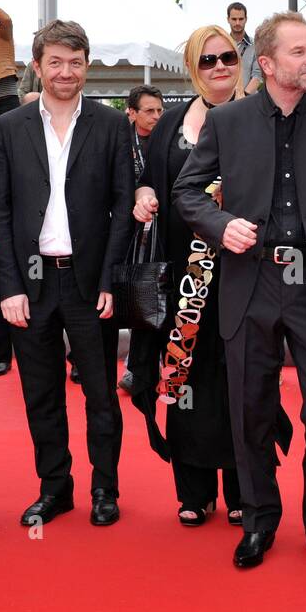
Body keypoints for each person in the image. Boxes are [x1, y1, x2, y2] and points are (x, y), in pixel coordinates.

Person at [173, 11, 306, 570]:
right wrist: (220, 225)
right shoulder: (229, 122)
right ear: (265, 64)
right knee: (250, 409)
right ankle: (260, 520)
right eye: (299, 52)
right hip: (251, 277)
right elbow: (186, 191)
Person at [0, 19, 134, 528]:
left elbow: (122, 204)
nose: (65, 72)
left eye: (75, 62)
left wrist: (110, 279)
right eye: (55, 62)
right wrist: (8, 285)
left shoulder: (113, 125)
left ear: (86, 66)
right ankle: (55, 488)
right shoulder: (7, 129)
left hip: (89, 282)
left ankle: (105, 488)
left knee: (100, 393)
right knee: (40, 394)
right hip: (31, 282)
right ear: (37, 67)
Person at [129, 26, 254, 526]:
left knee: (242, 381)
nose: (219, 66)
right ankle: (193, 490)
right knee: (183, 376)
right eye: (207, 61)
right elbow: (147, 179)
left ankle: (245, 490)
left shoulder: (262, 116)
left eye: (227, 57)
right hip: (183, 278)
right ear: (191, 67)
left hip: (243, 271)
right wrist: (142, 195)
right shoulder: (172, 122)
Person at [116, 84, 165, 394]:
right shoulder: (120, 142)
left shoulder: (169, 138)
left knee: (159, 300)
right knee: (140, 302)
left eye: (160, 110)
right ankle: (138, 367)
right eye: (149, 111)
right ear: (131, 112)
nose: (157, 116)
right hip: (128, 231)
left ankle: (151, 365)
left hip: (163, 230)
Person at [227, 2, 262, 93]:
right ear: (228, 19)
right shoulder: (221, 45)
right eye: (234, 19)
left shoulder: (255, 45)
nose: (237, 23)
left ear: (246, 19)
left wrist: (244, 98)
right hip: (224, 101)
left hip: (248, 100)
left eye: (241, 19)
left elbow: (257, 75)